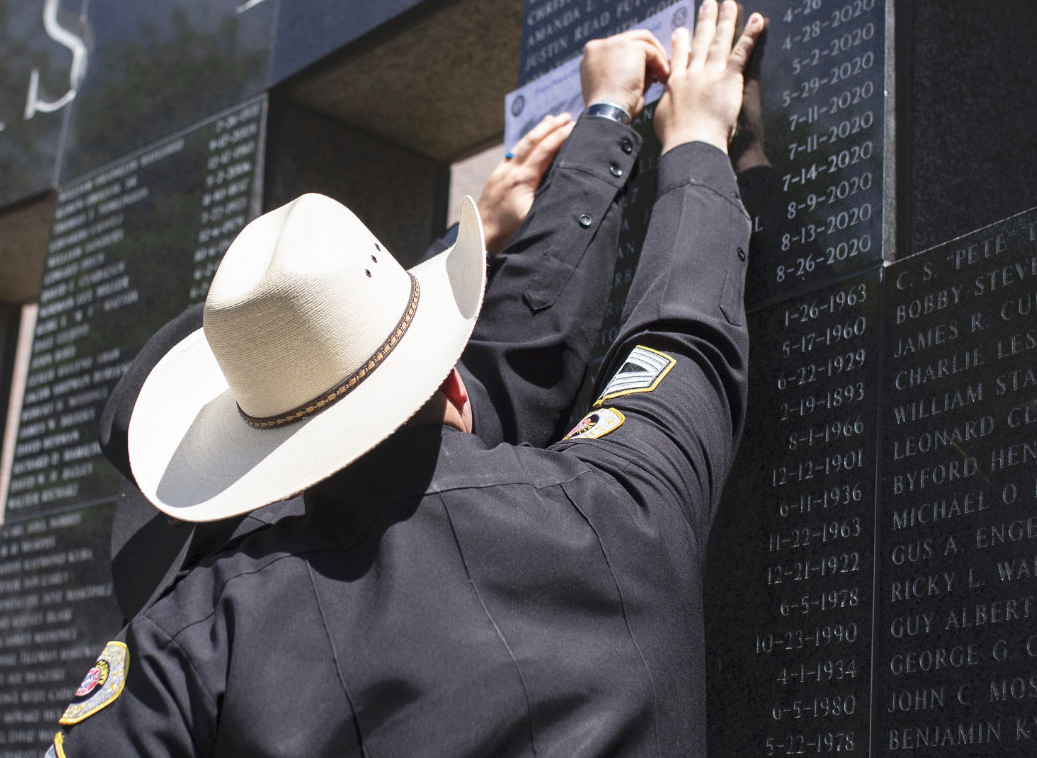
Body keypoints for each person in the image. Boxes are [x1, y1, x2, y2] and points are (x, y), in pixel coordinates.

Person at [42, 0, 764, 758]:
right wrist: (690, 138)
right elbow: (680, 332)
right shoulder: (622, 509)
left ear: (249, 460)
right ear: (451, 377)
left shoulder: (189, 648)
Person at [103, 84, 649, 619]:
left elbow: (337, 348)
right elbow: (521, 351)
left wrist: (467, 238)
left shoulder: (184, 623)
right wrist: (604, 119)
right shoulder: (330, 545)